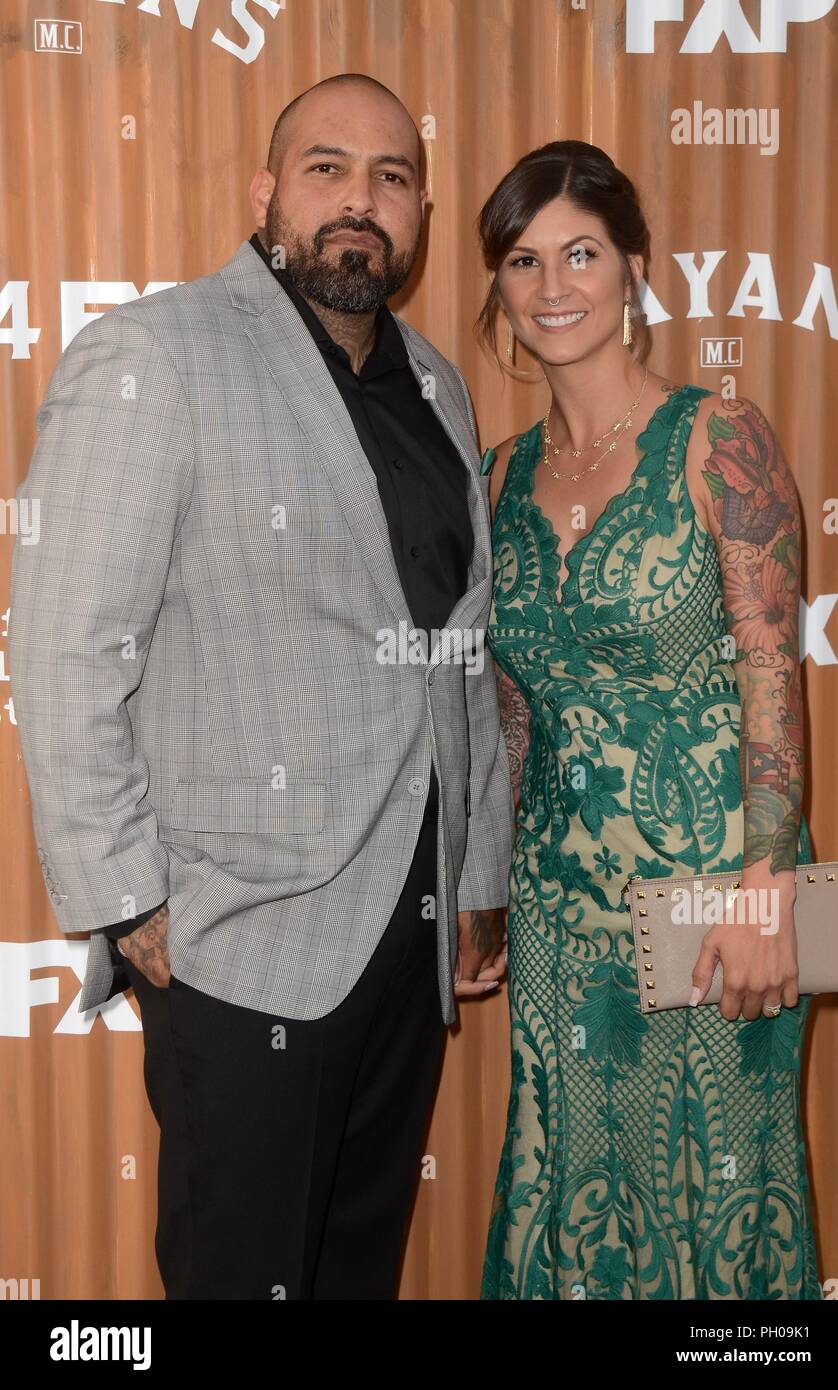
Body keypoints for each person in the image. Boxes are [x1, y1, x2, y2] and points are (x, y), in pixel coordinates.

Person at [9, 73, 512, 1300]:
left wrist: (478, 873)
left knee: (355, 1270)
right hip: (240, 940)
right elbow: (67, 643)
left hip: (409, 933)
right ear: (266, 195)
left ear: (421, 217)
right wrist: (125, 897)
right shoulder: (155, 354)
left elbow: (463, 647)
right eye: (327, 169)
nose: (360, 201)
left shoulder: (439, 386)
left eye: (391, 178)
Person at [475, 140, 820, 1300]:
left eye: (580, 253)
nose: (553, 286)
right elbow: (516, 714)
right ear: (501, 292)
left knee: (719, 1206)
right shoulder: (497, 476)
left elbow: (775, 668)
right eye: (523, 262)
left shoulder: (719, 437)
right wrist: (491, 892)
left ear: (632, 269)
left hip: (716, 908)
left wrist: (768, 886)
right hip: (563, 916)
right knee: (569, 1199)